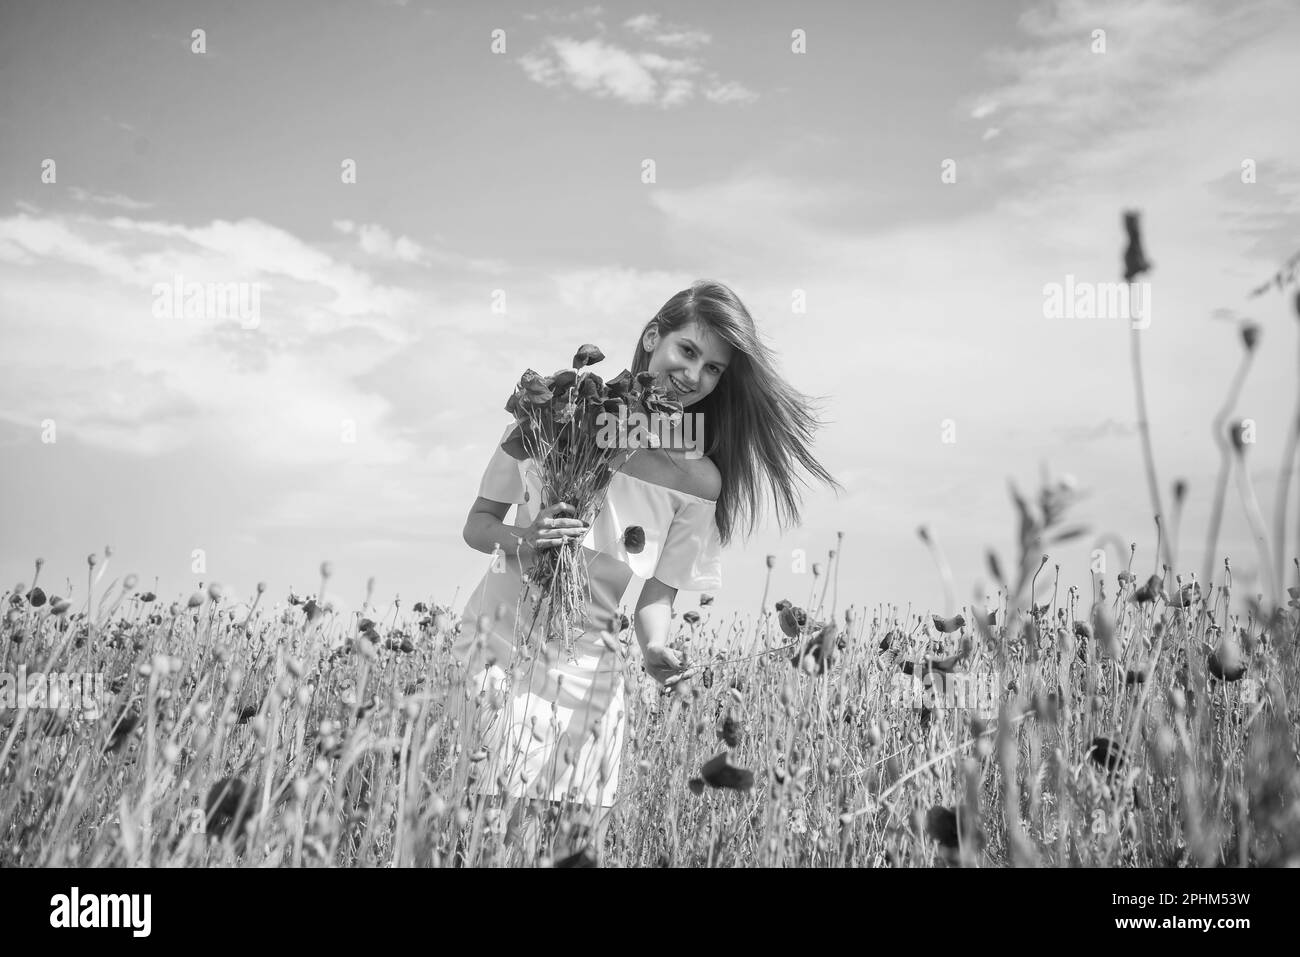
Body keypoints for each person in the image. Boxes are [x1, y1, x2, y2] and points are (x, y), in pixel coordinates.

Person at [457, 279, 841, 864]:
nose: (694, 375)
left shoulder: (699, 481)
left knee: (575, 848)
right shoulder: (560, 416)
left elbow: (652, 601)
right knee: (499, 840)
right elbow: (479, 524)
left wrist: (658, 650)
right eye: (687, 351)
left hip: (592, 667)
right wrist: (527, 541)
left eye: (713, 369)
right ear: (652, 338)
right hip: (501, 646)